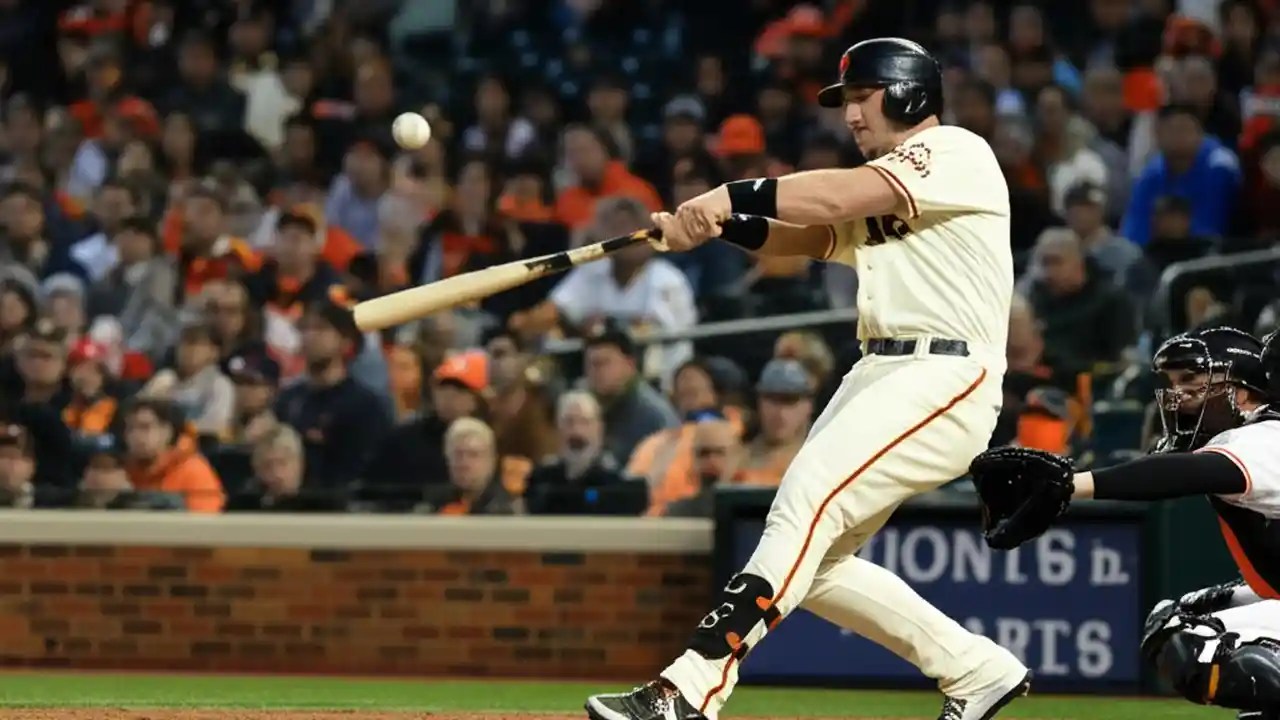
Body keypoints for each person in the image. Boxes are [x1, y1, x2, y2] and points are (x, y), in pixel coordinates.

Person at [586, 38, 1028, 720]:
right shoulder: (890, 178)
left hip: (947, 371)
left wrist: (725, 194)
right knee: (813, 561)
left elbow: (835, 197)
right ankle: (977, 670)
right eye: (845, 102)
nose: (850, 115)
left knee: (806, 502)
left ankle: (690, 687)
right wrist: (715, 227)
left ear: (909, 95)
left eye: (862, 97)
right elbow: (807, 240)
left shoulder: (955, 152)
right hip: (881, 368)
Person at [970, 327, 1280, 719]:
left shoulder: (1266, 438)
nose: (1177, 396)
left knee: (1196, 645)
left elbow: (1189, 473)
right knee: (1184, 616)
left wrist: (1072, 485)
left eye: (1192, 383)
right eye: (1172, 383)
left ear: (1243, 393)